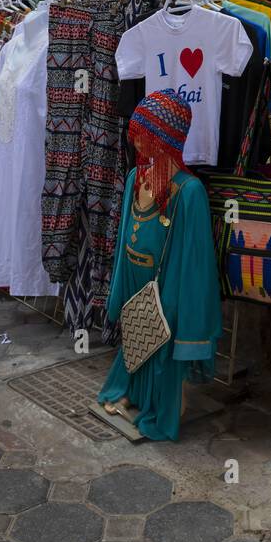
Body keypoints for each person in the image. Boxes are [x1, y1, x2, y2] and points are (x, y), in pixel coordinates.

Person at [99, 90, 222, 441]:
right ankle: (134, 392)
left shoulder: (189, 191)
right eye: (135, 131)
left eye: (146, 134)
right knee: (135, 335)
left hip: (165, 282)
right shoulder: (134, 178)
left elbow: (194, 258)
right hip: (136, 276)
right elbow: (125, 234)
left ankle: (166, 402)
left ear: (166, 139)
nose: (136, 140)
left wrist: (174, 298)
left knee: (160, 338)